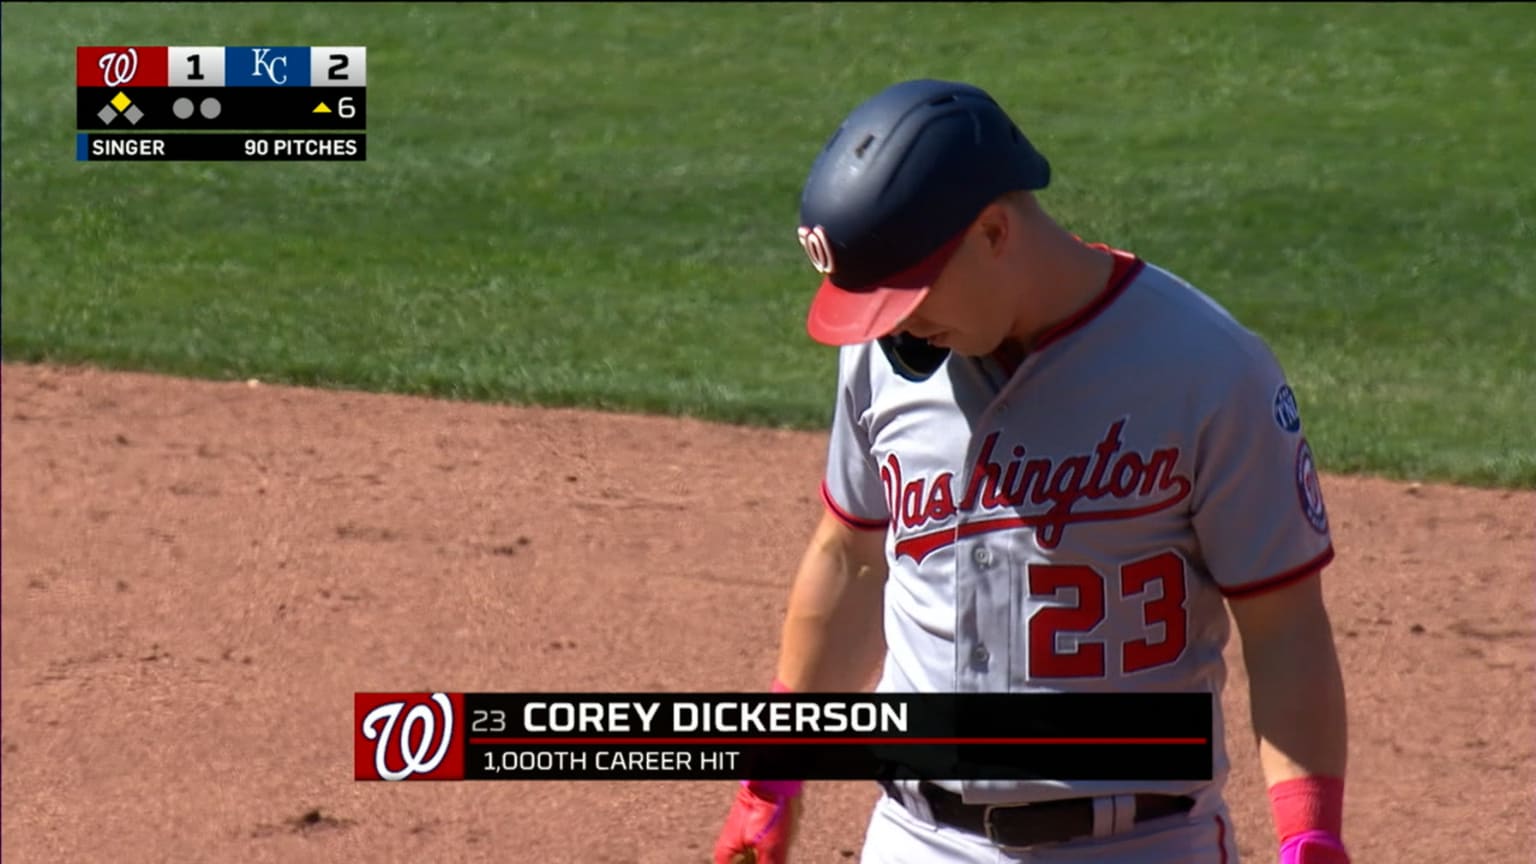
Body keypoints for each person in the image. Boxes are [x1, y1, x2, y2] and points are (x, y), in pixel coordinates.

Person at [712, 79, 1352, 864]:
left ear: (992, 231)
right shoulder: (883, 355)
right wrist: (770, 779)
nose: (899, 328)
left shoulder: (1208, 370)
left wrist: (1310, 835)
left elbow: (1284, 625)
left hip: (1139, 845)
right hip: (916, 838)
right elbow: (851, 556)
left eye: (907, 296)